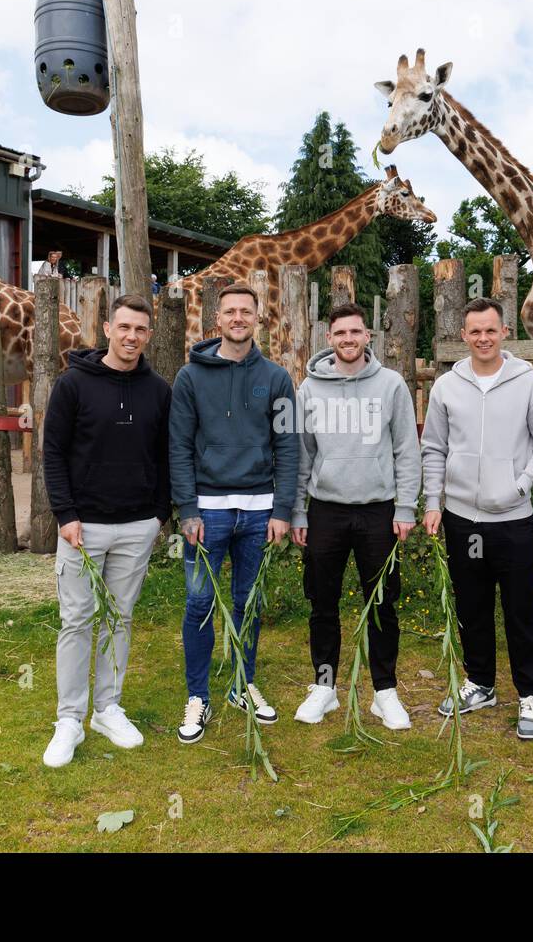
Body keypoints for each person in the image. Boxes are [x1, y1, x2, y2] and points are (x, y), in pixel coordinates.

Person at [421, 297, 533, 741]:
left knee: (520, 608)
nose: (483, 338)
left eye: (490, 330)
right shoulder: (447, 386)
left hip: (513, 518)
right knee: (472, 604)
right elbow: (434, 449)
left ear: (505, 333)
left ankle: (530, 695)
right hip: (464, 518)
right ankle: (480, 683)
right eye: (474, 331)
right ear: (463, 337)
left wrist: (521, 484)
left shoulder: (529, 384)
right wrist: (432, 501)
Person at [41, 294, 172, 767]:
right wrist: (65, 514)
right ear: (107, 328)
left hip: (137, 525)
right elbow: (53, 453)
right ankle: (69, 719)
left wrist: (159, 514)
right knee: (77, 620)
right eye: (123, 327)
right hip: (83, 527)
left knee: (119, 618)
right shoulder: (73, 385)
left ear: (149, 334)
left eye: (140, 329)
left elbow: (165, 456)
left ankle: (107, 708)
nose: (131, 336)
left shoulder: (159, 390)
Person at [169, 283, 298, 744]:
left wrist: (282, 508)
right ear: (217, 320)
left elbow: (288, 445)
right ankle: (198, 695)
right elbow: (179, 447)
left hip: (261, 513)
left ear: (257, 319)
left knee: (249, 602)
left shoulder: (278, 379)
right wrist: (187, 509)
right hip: (208, 512)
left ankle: (243, 684)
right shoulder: (190, 378)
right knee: (201, 603)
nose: (238, 318)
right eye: (230, 312)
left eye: (247, 311)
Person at [290, 303, 421, 729]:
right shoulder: (308, 389)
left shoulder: (391, 385)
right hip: (325, 510)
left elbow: (406, 448)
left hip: (378, 512)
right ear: (329, 339)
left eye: (356, 332)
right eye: (340, 333)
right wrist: (298, 512)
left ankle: (385, 692)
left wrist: (405, 506)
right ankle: (324, 687)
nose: (348, 339)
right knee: (322, 601)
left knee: (382, 603)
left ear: (368, 336)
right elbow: (301, 455)